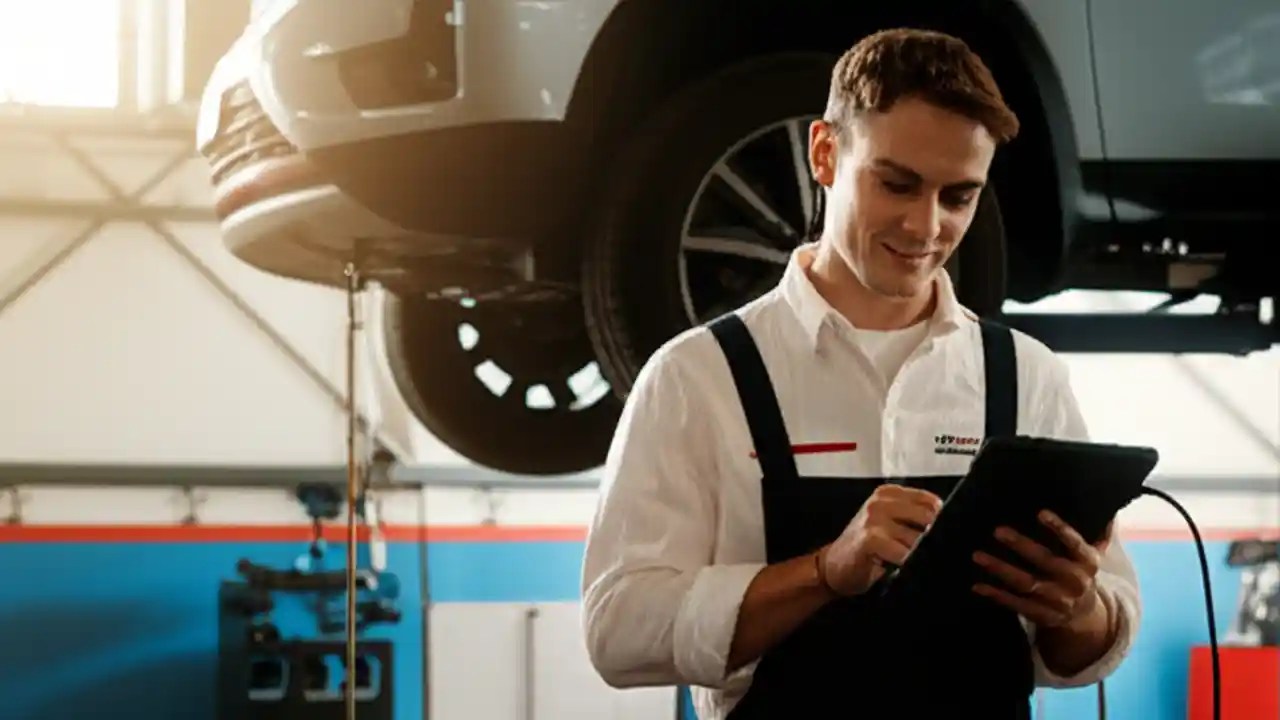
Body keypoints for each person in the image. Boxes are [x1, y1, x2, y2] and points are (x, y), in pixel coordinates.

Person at [579, 27, 1141, 720]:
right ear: (825, 152)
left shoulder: (1027, 376)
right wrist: (824, 573)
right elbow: (617, 628)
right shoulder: (699, 378)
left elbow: (1095, 641)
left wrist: (1077, 607)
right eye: (896, 183)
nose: (924, 225)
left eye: (958, 197)